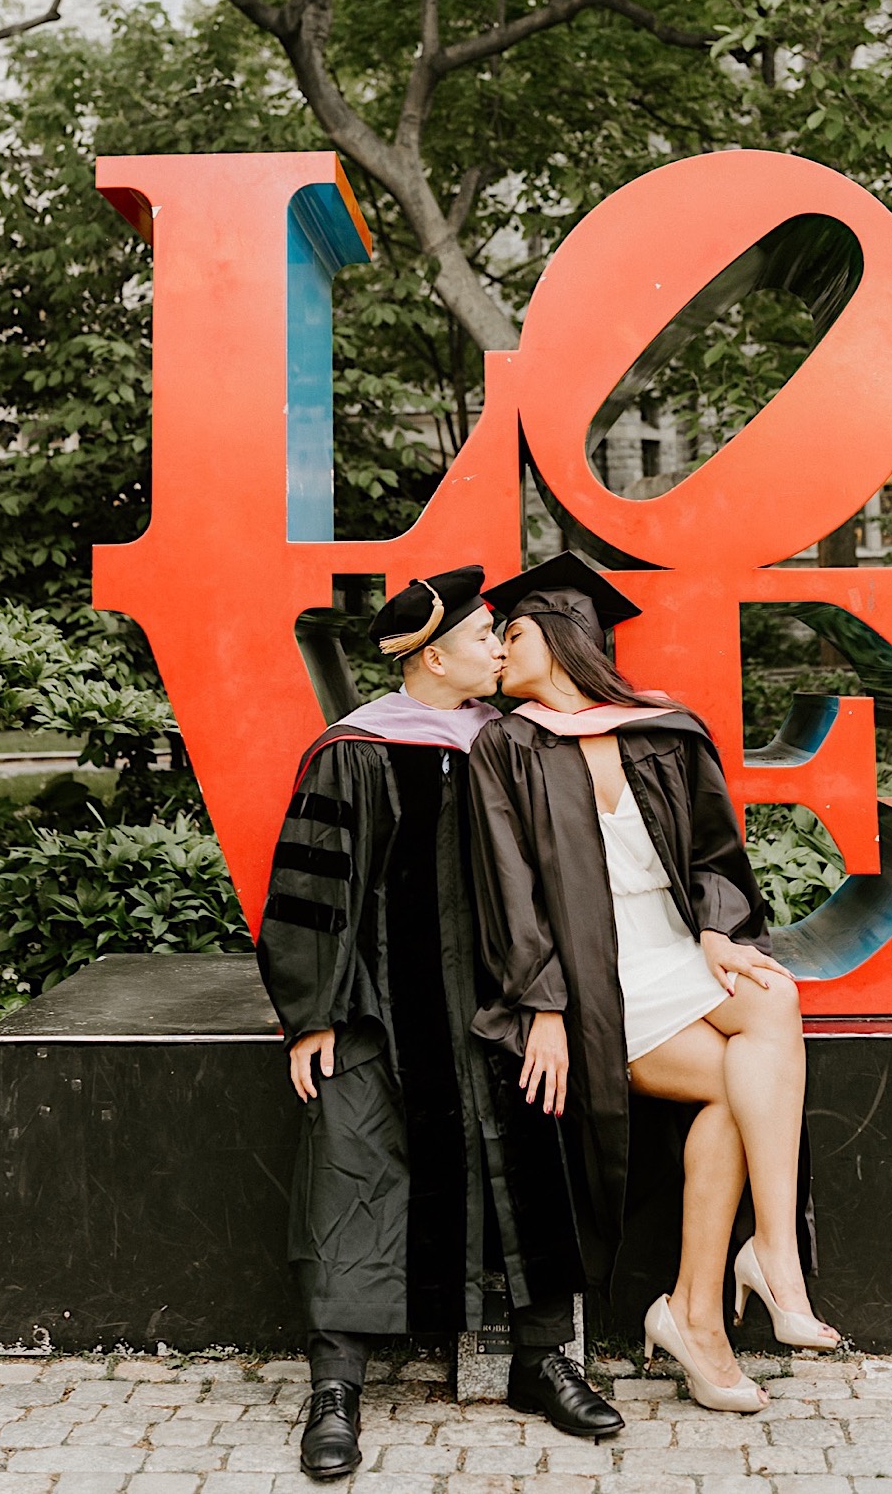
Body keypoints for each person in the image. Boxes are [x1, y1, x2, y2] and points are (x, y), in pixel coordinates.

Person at [257, 564, 622, 1483]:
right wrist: (313, 1013)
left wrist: (549, 1004)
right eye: (481, 636)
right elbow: (313, 890)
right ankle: (335, 1382)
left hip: (506, 1003)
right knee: (355, 1163)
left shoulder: (515, 742)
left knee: (533, 1158)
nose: (499, 646)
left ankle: (542, 1359)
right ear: (428, 656)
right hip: (385, 1004)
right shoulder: (360, 749)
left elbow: (560, 884)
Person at [468, 552, 838, 1417]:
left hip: (678, 950)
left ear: (559, 640)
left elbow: (713, 850)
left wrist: (716, 928)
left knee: (774, 999)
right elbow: (507, 892)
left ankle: (759, 1263)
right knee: (741, 1094)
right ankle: (701, 1310)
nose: (497, 652)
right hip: (603, 982)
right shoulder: (505, 747)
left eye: (510, 634)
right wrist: (545, 1005)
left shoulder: (660, 729)